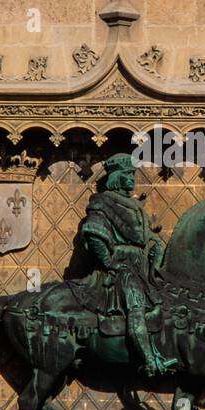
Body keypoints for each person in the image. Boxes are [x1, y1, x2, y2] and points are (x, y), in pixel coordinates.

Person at [74, 154, 176, 377]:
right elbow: (93, 232)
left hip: (140, 269)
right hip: (120, 271)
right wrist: (110, 263)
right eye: (127, 174)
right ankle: (149, 360)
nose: (132, 179)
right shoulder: (102, 202)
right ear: (116, 177)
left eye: (133, 174)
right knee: (135, 305)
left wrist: (153, 243)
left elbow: (141, 236)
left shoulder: (131, 204)